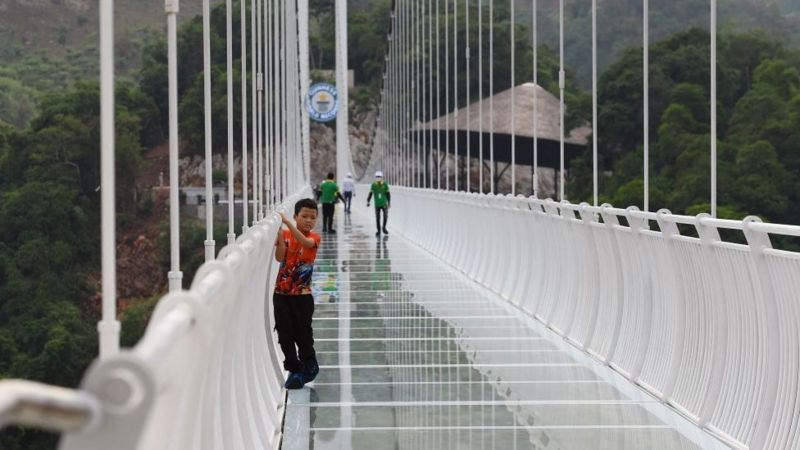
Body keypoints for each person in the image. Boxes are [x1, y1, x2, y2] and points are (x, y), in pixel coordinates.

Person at [273, 199, 322, 389]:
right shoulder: (285, 235)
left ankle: (309, 362)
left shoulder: (315, 238)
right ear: (295, 216)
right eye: (304, 216)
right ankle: (294, 370)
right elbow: (279, 258)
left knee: (303, 333)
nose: (308, 221)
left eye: (312, 217)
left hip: (303, 296)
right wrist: (280, 237)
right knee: (285, 333)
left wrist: (288, 225)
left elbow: (305, 241)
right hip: (281, 294)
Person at [366, 171, 391, 237]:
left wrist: (389, 202)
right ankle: (378, 230)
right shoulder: (373, 185)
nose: (378, 178)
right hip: (377, 204)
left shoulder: (385, 185)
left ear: (382, 177)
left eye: (379, 177)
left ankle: (384, 228)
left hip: (384, 204)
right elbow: (370, 193)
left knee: (385, 216)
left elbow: (388, 194)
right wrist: (368, 201)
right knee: (377, 218)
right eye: (377, 177)